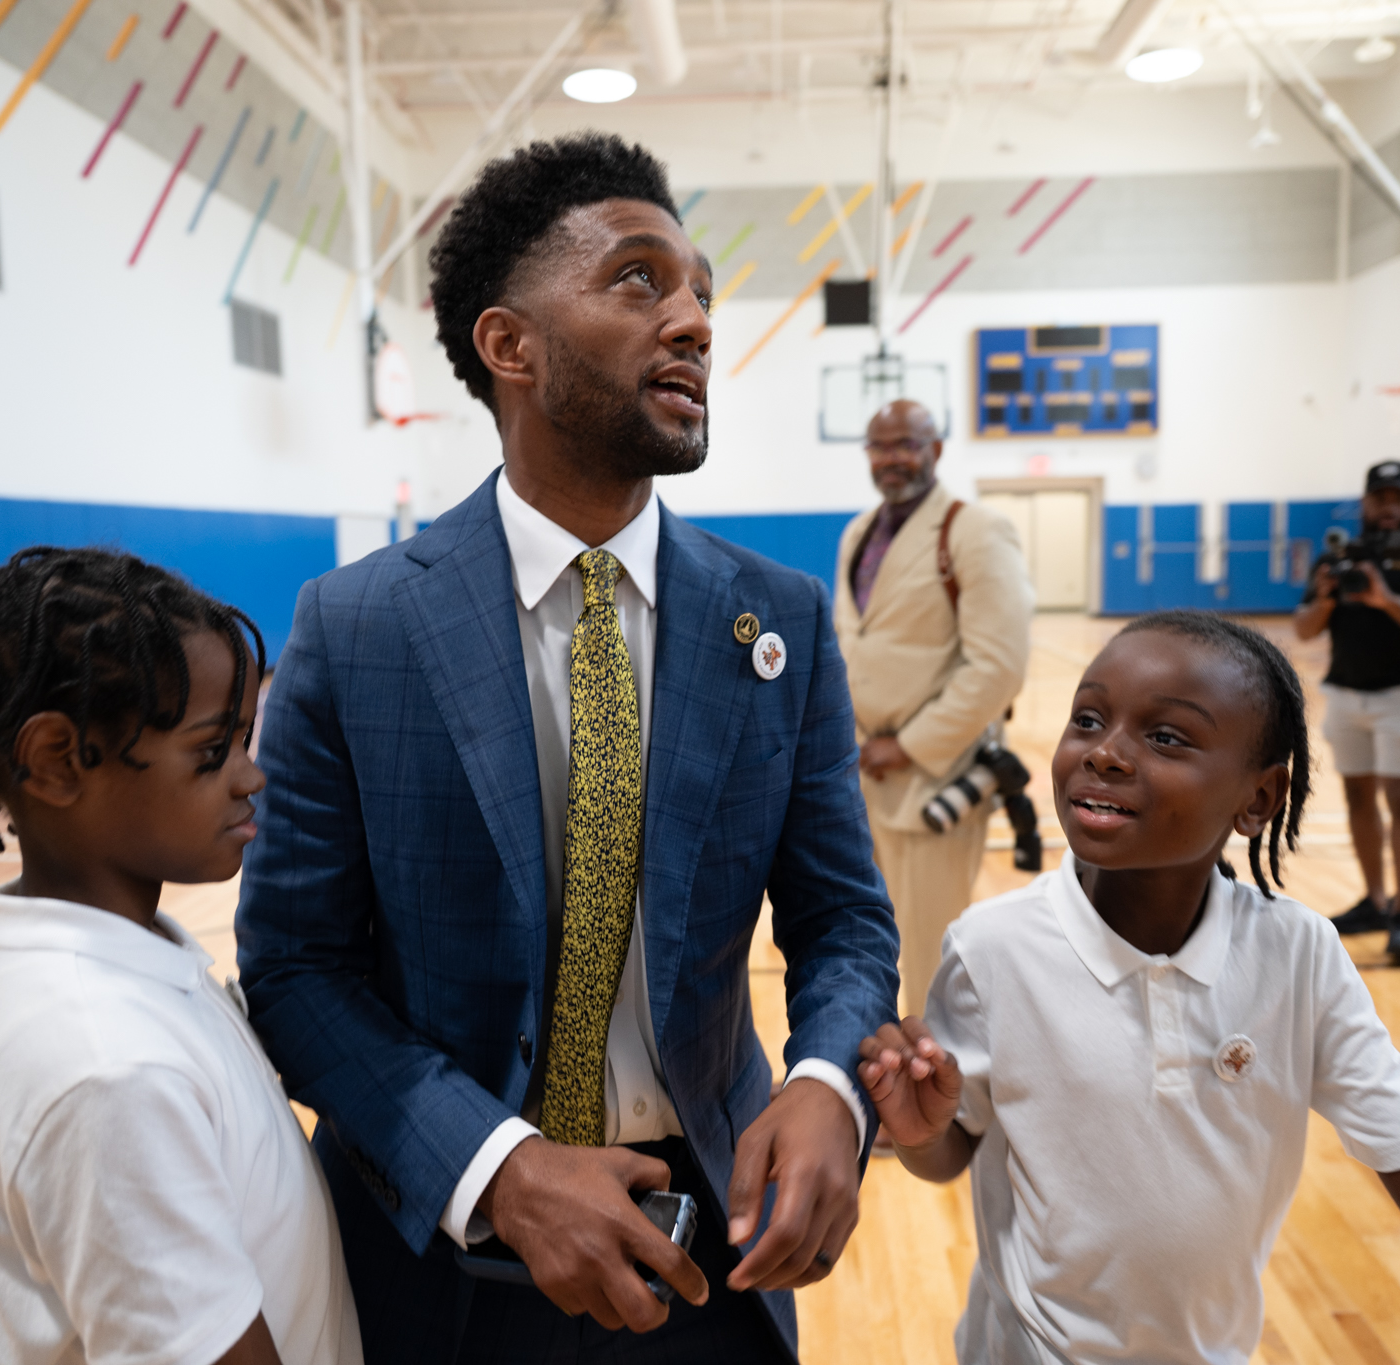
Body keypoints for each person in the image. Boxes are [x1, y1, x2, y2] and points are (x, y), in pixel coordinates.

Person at [234, 133, 901, 1364]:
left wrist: (825, 1084)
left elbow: (845, 921)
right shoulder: (356, 625)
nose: (694, 320)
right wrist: (497, 1167)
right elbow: (292, 969)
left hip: (714, 1242)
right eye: (641, 281)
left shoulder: (782, 619)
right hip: (445, 1251)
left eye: (702, 290)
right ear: (509, 346)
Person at [856, 611, 1400, 1365]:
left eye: (1165, 737)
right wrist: (920, 1130)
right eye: (1089, 719)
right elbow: (950, 1151)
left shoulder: (1298, 956)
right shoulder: (992, 948)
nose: (1105, 752)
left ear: (1258, 800)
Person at [0, 547, 361, 1365]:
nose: (251, 777)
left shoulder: (141, 964)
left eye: (244, 740)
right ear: (57, 761)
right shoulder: (105, 1068)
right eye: (211, 753)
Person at [832, 399, 1033, 1015]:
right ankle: (882, 1072)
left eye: (906, 444)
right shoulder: (859, 532)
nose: (892, 458)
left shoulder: (975, 531)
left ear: (936, 450)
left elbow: (998, 666)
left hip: (932, 778)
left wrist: (909, 744)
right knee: (864, 939)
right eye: (880, 446)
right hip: (865, 776)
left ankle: (942, 1093)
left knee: (931, 953)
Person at [1294, 460, 1400, 966]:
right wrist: (1326, 598)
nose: (1388, 507)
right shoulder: (1341, 558)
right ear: (1365, 502)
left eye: (1398, 498)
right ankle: (1374, 899)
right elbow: (1304, 628)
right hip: (1347, 693)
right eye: (1380, 498)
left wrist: (1386, 600)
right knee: (1356, 795)